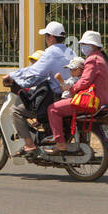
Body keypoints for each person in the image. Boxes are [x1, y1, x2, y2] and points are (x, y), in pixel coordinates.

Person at [44, 29, 108, 155]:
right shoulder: (102, 59)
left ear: (93, 45)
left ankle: (60, 143)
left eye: (85, 44)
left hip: (92, 100)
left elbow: (84, 81)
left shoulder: (92, 59)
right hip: (103, 100)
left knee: (53, 109)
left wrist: (71, 89)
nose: (83, 47)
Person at [6, 22, 76, 153]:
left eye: (46, 36)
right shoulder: (70, 51)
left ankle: (29, 144)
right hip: (70, 94)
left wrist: (12, 75)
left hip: (56, 97)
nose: (46, 40)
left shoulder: (51, 53)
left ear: (51, 38)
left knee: (16, 111)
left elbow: (34, 71)